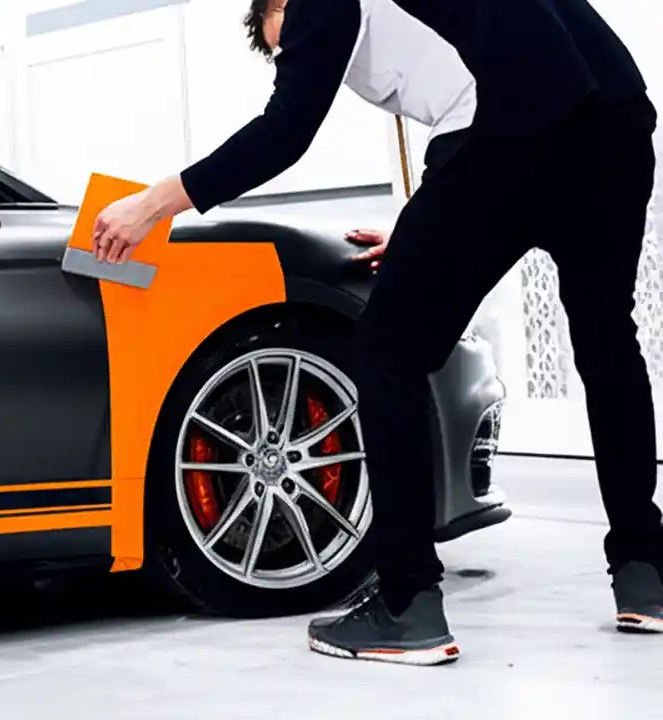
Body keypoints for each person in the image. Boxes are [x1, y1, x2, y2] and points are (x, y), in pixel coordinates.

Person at [92, 0, 663, 666]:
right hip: (617, 120)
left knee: (389, 350)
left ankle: (406, 601)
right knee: (607, 342)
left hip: (515, 124)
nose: (299, 57)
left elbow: (286, 131)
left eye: (287, 43)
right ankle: (645, 575)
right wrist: (423, 227)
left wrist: (153, 203)